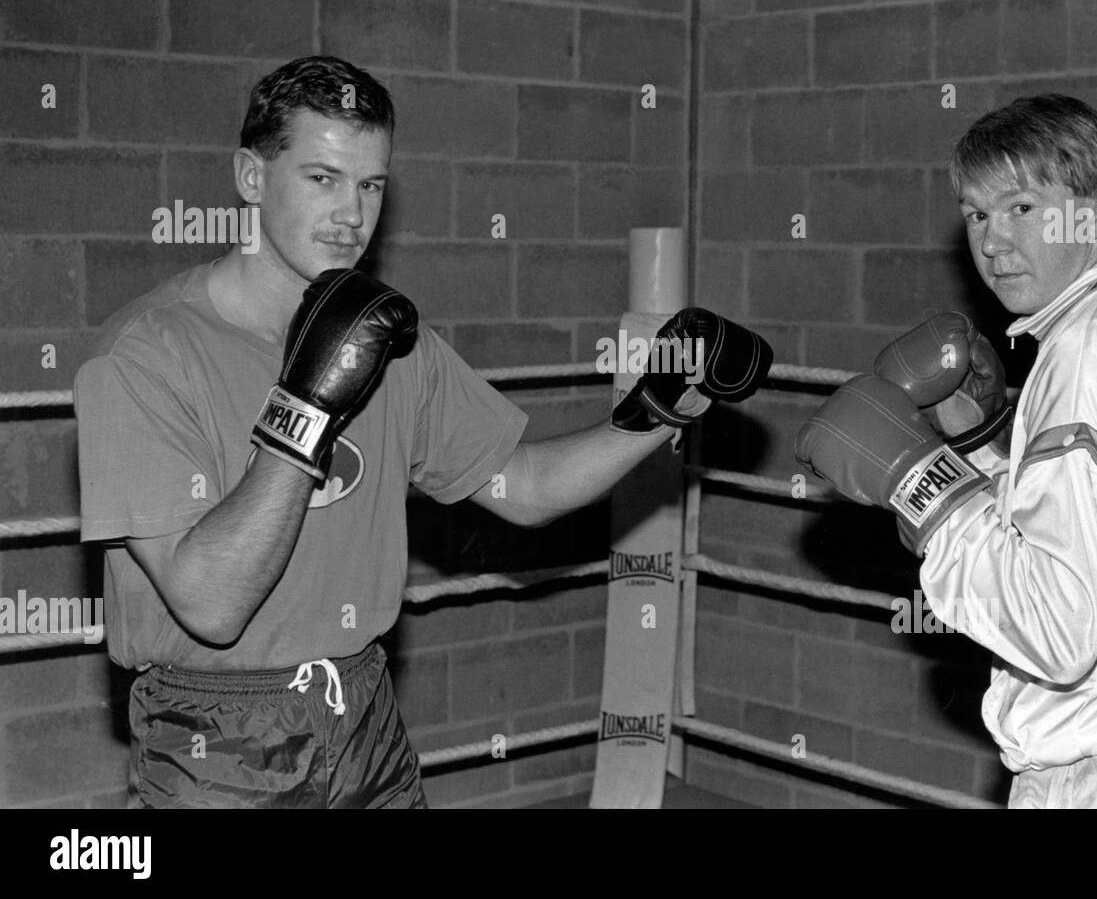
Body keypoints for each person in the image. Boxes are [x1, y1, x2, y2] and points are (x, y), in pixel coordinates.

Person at [73, 55, 771, 809]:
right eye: (322, 179)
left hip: (363, 713)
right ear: (250, 177)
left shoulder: (389, 343)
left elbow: (525, 485)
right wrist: (305, 405)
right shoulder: (143, 355)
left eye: (371, 184)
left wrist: (658, 409)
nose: (351, 214)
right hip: (216, 739)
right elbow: (210, 604)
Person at [795, 94, 1097, 808]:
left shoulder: (1092, 353)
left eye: (1021, 207)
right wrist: (983, 450)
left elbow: (1055, 629)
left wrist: (924, 484)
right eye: (977, 215)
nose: (991, 241)